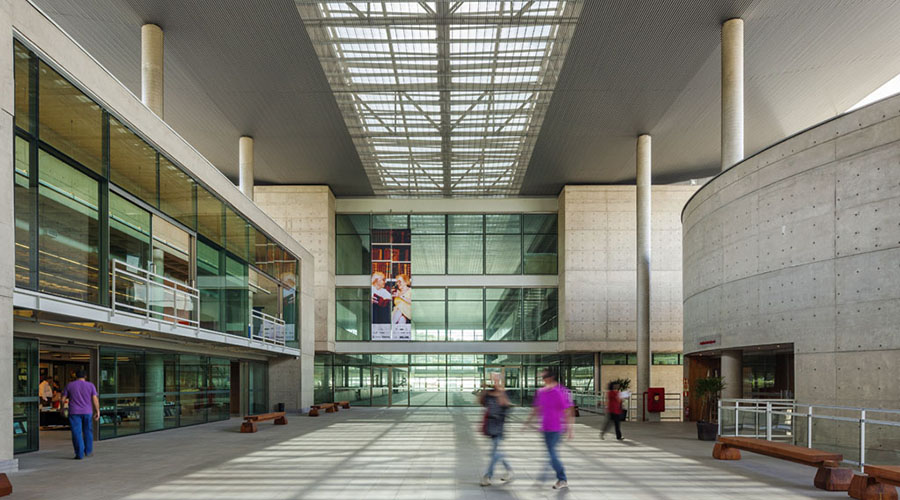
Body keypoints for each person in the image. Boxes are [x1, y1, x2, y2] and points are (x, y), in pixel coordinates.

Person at [526, 368, 574, 490]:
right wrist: (528, 422)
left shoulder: (558, 392)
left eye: (543, 377)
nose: (542, 379)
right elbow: (537, 408)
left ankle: (562, 479)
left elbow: (566, 410)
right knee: (550, 454)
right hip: (545, 428)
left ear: (549, 378)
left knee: (552, 454)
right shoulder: (541, 392)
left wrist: (569, 430)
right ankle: (554, 477)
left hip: (556, 428)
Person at [479, 373, 512, 486]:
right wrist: (483, 390)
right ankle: (509, 470)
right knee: (496, 453)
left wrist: (500, 391)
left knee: (494, 453)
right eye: (493, 380)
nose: (494, 382)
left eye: (496, 380)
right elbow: (481, 402)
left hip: (499, 427)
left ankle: (488, 476)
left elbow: (507, 407)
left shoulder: (504, 393)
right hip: (490, 426)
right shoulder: (489, 393)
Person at [62, 369, 99, 460]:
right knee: (88, 431)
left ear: (76, 376)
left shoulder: (70, 385)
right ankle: (88, 451)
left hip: (74, 412)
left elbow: (63, 399)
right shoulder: (90, 385)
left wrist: (62, 408)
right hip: (87, 411)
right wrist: (97, 411)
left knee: (76, 432)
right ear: (85, 376)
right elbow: (95, 399)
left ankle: (79, 453)